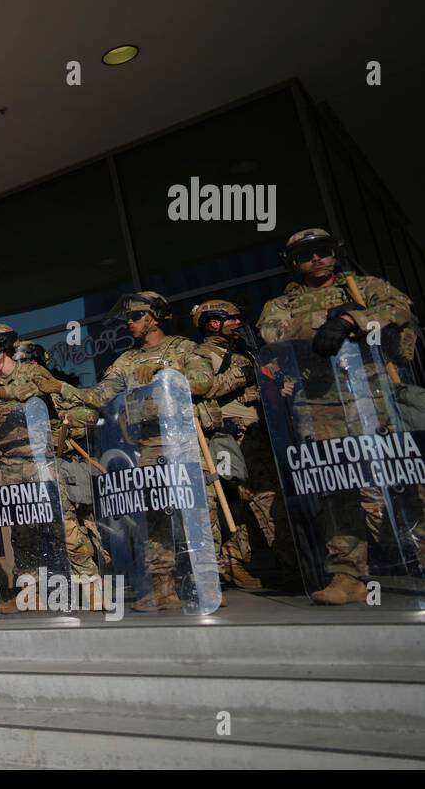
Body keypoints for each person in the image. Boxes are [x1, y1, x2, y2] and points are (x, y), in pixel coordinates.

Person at [256, 227, 423, 604]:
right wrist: (327, 322)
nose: (316, 259)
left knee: (404, 478)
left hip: (374, 394)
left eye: (324, 251)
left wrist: (352, 320)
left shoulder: (362, 286)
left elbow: (400, 308)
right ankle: (348, 576)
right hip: (319, 402)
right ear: (293, 264)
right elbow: (274, 332)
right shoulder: (283, 303)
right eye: (306, 254)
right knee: (336, 488)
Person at [68, 292, 218, 612]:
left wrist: (165, 376)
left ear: (154, 317)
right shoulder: (126, 361)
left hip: (185, 441)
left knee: (197, 514)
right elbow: (101, 394)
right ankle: (163, 586)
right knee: (155, 518)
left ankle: (204, 582)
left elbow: (204, 381)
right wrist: (67, 405)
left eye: (136, 317)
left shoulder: (182, 348)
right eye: (129, 319)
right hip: (148, 445)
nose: (130, 324)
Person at [0, 324, 103, 611]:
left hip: (41, 460)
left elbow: (31, 391)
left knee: (63, 523)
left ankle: (91, 588)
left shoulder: (32, 371)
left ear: (3, 346)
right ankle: (30, 592)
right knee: (23, 531)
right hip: (11, 465)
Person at [190, 299, 291, 589]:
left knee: (252, 504)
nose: (238, 323)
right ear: (213, 323)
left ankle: (236, 562)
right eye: (232, 318)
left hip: (261, 431)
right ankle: (293, 565)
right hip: (235, 436)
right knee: (264, 499)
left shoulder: (247, 352)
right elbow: (201, 388)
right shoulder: (201, 355)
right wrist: (242, 375)